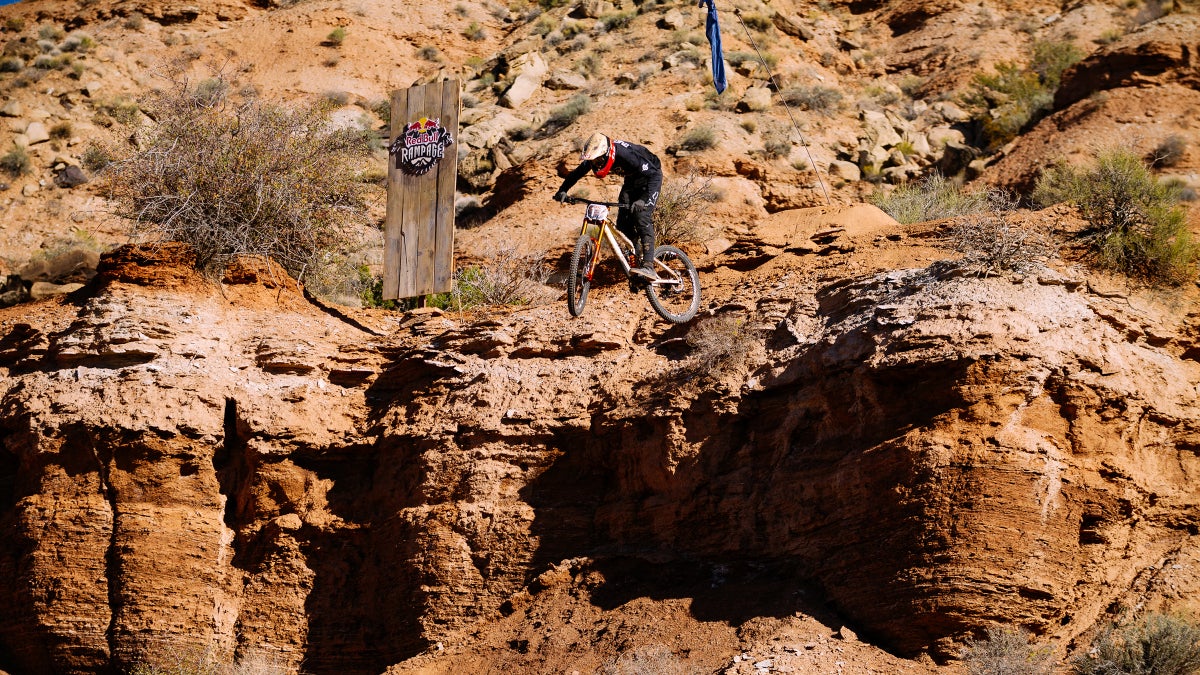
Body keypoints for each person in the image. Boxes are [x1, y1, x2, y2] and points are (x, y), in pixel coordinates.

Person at [554, 133, 662, 281]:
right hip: (632, 180)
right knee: (623, 225)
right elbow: (577, 173)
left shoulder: (626, 155)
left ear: (606, 154)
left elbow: (654, 175)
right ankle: (636, 260)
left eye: (598, 160)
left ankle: (649, 266)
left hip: (651, 178)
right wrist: (563, 190)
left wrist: (644, 200)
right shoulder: (595, 158)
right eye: (593, 161)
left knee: (641, 216)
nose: (595, 164)